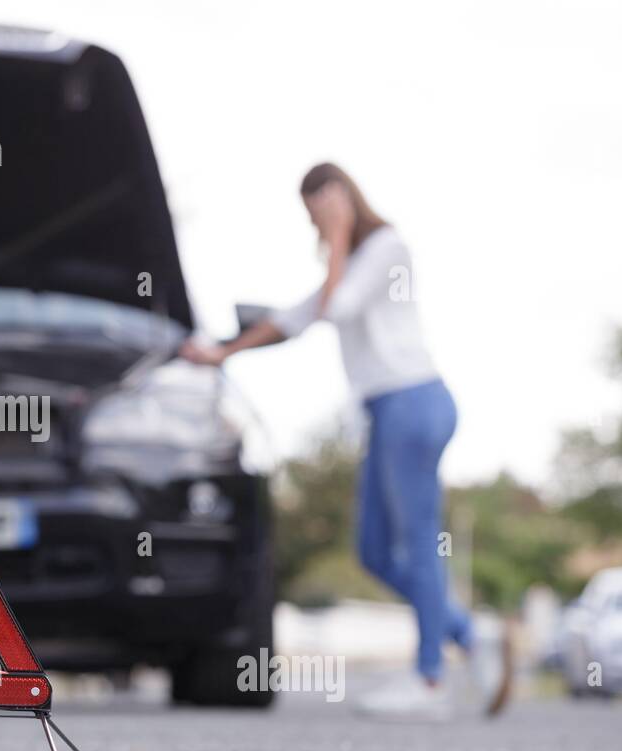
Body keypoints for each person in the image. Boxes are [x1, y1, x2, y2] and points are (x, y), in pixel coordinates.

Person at [181, 162, 509, 719]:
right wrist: (221, 352)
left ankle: (430, 681)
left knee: (419, 539)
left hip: (414, 399)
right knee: (375, 551)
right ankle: (468, 634)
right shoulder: (353, 261)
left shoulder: (385, 246)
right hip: (386, 412)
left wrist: (335, 235)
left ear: (344, 198)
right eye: (312, 216)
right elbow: (295, 319)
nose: (317, 222)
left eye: (321, 209)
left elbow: (340, 307)